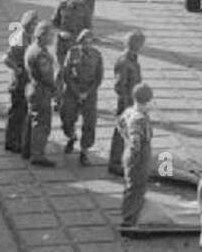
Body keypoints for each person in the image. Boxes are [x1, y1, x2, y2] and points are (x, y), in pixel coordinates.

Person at [59, 29, 103, 165]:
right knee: (67, 117)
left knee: (90, 123)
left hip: (89, 92)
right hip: (73, 90)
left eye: (90, 42)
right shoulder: (72, 52)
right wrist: (77, 92)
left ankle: (84, 151)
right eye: (85, 41)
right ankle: (71, 136)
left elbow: (99, 77)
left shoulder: (97, 55)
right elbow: (66, 74)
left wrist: (87, 92)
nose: (87, 45)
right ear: (80, 41)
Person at [107, 31, 144, 176]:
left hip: (133, 102)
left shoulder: (133, 59)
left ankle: (123, 159)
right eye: (140, 43)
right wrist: (127, 104)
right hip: (125, 103)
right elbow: (119, 86)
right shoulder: (123, 61)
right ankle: (114, 163)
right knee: (121, 132)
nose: (142, 46)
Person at [118, 83, 154, 230]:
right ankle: (129, 220)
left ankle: (130, 215)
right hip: (138, 156)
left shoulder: (129, 111)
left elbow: (120, 124)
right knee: (136, 188)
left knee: (131, 186)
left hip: (128, 152)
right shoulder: (139, 118)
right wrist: (137, 160)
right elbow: (135, 142)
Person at [4, 12, 39, 155]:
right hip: (19, 82)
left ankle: (19, 140)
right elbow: (6, 58)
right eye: (34, 22)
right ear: (29, 23)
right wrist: (17, 69)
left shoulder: (30, 37)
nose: (36, 25)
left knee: (23, 112)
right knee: (17, 113)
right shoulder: (20, 37)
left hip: (27, 80)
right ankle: (12, 142)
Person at [24, 23, 58, 168]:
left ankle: (27, 150)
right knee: (42, 124)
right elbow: (46, 76)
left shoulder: (33, 48)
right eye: (50, 35)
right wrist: (55, 89)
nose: (53, 38)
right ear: (42, 36)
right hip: (41, 91)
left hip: (33, 88)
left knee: (32, 121)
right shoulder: (40, 54)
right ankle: (38, 155)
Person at [53, 0, 92, 68]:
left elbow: (88, 26)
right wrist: (60, 32)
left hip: (76, 42)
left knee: (75, 68)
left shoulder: (84, 8)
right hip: (62, 42)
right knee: (61, 67)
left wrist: (82, 38)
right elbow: (55, 22)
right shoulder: (62, 6)